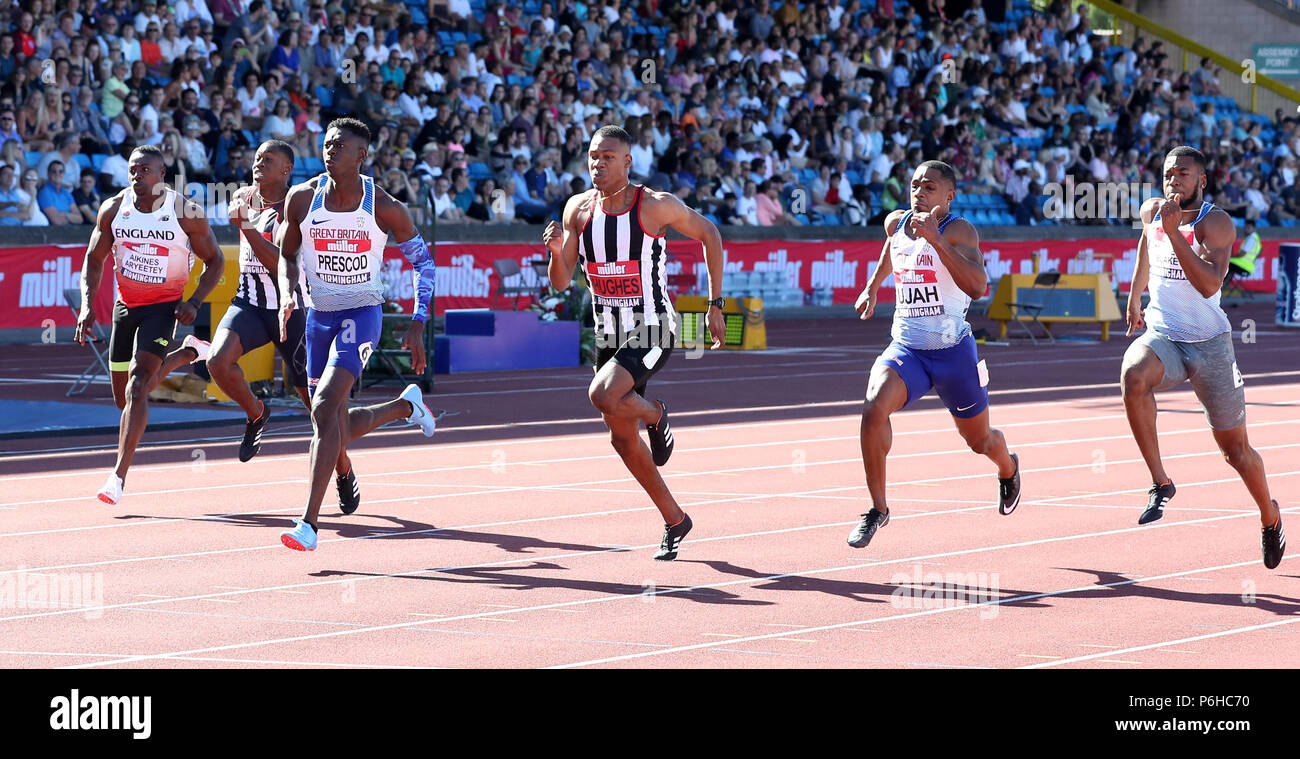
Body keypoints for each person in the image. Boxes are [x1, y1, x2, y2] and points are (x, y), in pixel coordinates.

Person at [544, 125, 726, 561]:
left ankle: (657, 413)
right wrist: (554, 252)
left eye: (608, 156)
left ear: (627, 161)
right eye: (592, 156)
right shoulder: (577, 210)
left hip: (653, 326)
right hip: (608, 333)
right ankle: (675, 520)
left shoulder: (655, 205)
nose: (597, 163)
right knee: (622, 439)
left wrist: (715, 304)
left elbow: (711, 235)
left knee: (603, 395)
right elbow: (561, 282)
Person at [275, 118, 438, 552]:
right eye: (327, 143)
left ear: (361, 155)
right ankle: (405, 406)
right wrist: (288, 291)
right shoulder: (302, 198)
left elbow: (424, 264)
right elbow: (287, 253)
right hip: (318, 316)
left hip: (362, 313)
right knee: (327, 420)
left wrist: (419, 320)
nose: (329, 150)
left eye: (339, 145)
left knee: (326, 405)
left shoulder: (383, 206)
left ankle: (308, 524)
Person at [1122, 146, 1284, 568]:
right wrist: (1136, 294)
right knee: (1133, 375)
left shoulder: (1215, 223)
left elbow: (1210, 285)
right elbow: (1145, 244)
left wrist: (1177, 233)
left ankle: (1269, 516)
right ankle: (1161, 482)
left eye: (1183, 174)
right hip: (1165, 335)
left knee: (1236, 452)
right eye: (1168, 174)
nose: (1174, 180)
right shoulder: (1152, 213)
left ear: (1202, 181)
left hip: (1210, 344)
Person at [850, 160, 1020, 549]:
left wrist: (936, 241)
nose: (919, 193)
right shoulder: (897, 223)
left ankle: (1008, 468)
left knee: (980, 442)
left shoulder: (958, 230)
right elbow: (890, 252)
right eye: (914, 186)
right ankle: (878, 508)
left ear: (949, 195)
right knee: (874, 407)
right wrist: (873, 286)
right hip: (908, 348)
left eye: (929, 187)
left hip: (953, 352)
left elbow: (979, 288)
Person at [75, 145, 225, 505]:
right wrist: (86, 306)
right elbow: (94, 259)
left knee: (138, 387)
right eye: (132, 170)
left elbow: (215, 261)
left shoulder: (185, 213)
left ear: (162, 175)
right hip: (126, 306)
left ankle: (117, 478)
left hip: (165, 306)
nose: (137, 177)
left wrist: (193, 301)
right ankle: (189, 352)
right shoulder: (114, 209)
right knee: (122, 399)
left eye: (145, 170)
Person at [214, 140, 355, 505]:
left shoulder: (294, 206)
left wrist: (245, 229)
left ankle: (343, 469)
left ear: (286, 170)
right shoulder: (243, 196)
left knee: (318, 408)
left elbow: (282, 263)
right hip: (250, 303)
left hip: (292, 309)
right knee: (217, 361)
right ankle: (257, 412)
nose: (258, 163)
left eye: (269, 160)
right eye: (257, 157)